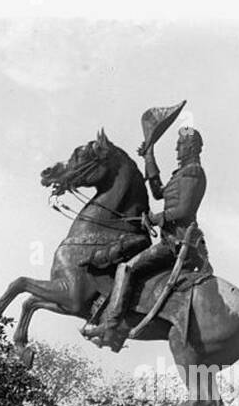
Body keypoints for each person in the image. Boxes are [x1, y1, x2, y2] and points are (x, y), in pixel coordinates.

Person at [89, 125, 208, 350]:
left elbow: (183, 211)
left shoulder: (193, 172)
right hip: (171, 239)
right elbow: (157, 192)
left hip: (178, 243)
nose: (176, 150)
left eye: (180, 146)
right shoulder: (182, 173)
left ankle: (111, 325)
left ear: (191, 147)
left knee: (127, 268)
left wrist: (155, 218)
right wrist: (149, 156)